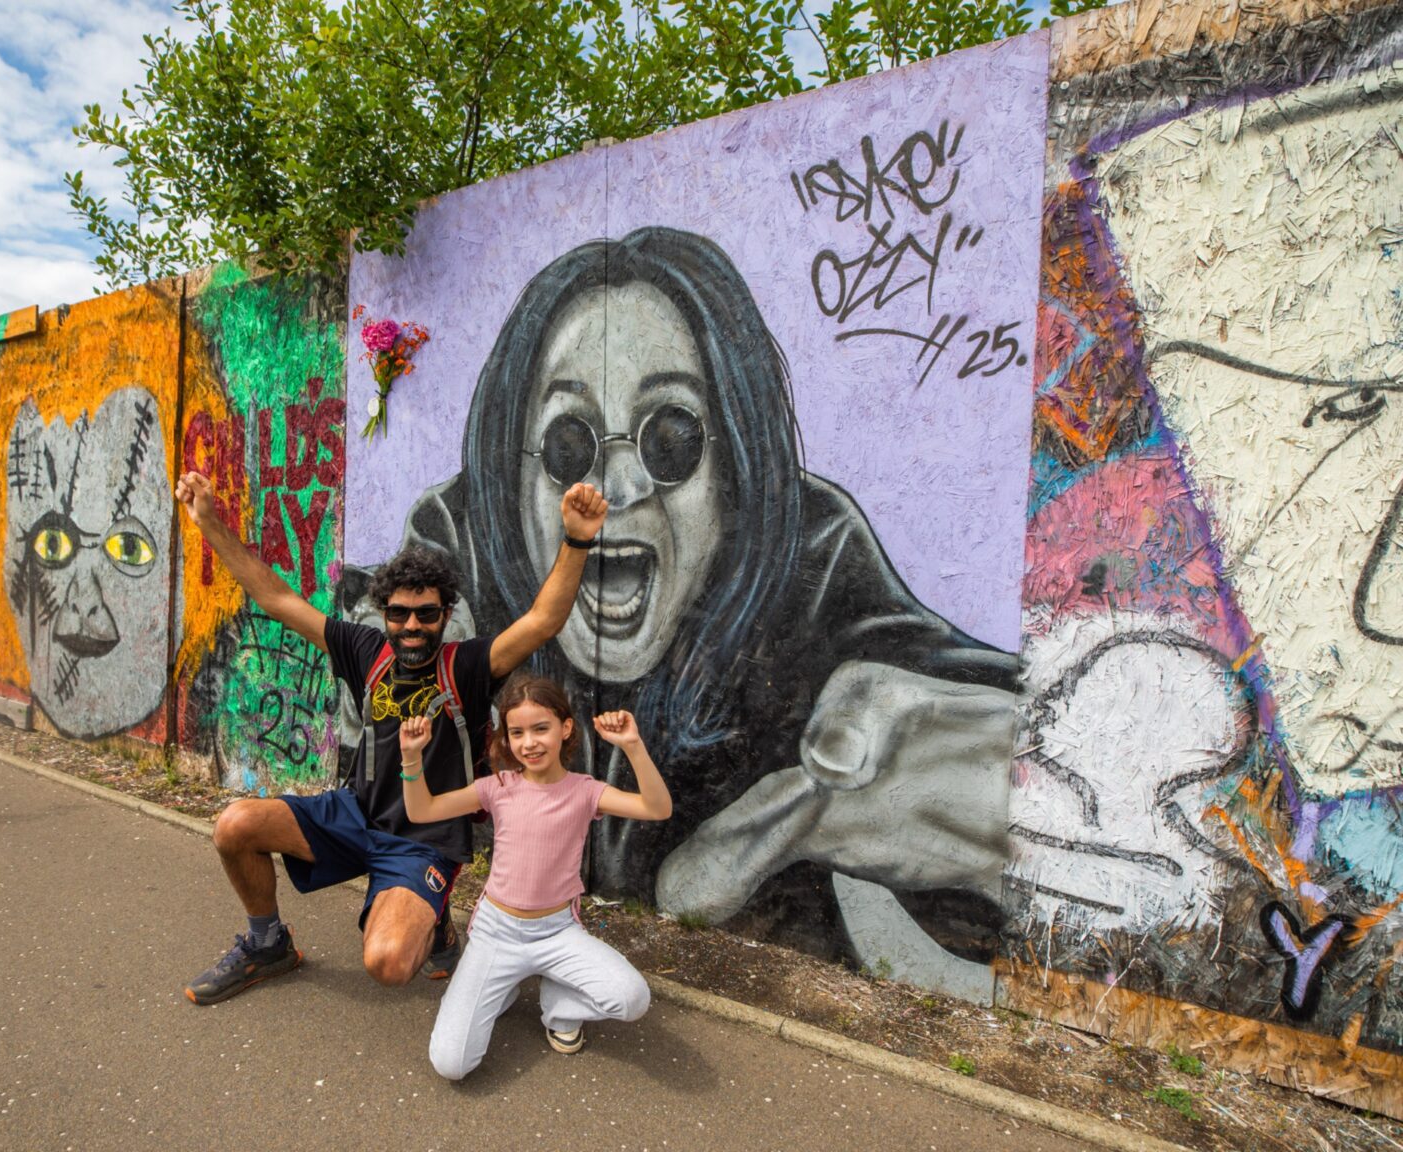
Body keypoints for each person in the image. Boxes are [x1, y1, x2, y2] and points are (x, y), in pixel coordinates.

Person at [384, 226, 1020, 960]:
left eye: (672, 438)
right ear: (513, 468)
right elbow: (385, 644)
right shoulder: (460, 541)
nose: (616, 490)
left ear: (733, 467)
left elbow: (950, 717)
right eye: (568, 444)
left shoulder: (806, 558)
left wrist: (1010, 809)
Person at [174, 470, 609, 1003]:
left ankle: (437, 922)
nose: (411, 626)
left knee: (388, 963)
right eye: (399, 613)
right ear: (384, 614)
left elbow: (543, 620)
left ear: (445, 615)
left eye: (426, 614)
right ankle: (268, 945)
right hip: (356, 814)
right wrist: (211, 524)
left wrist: (577, 538)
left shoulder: (468, 665)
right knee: (234, 826)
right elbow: (278, 600)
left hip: (423, 840)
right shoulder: (364, 651)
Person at [399, 676, 671, 1080]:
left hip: (558, 932)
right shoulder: (498, 787)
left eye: (541, 728)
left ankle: (560, 1007)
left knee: (632, 999)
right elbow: (422, 811)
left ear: (564, 728)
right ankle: (502, 985)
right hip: (496, 933)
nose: (529, 743)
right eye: (517, 733)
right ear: (507, 740)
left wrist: (632, 744)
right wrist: (410, 758)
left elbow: (657, 807)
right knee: (451, 1065)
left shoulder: (585, 791)